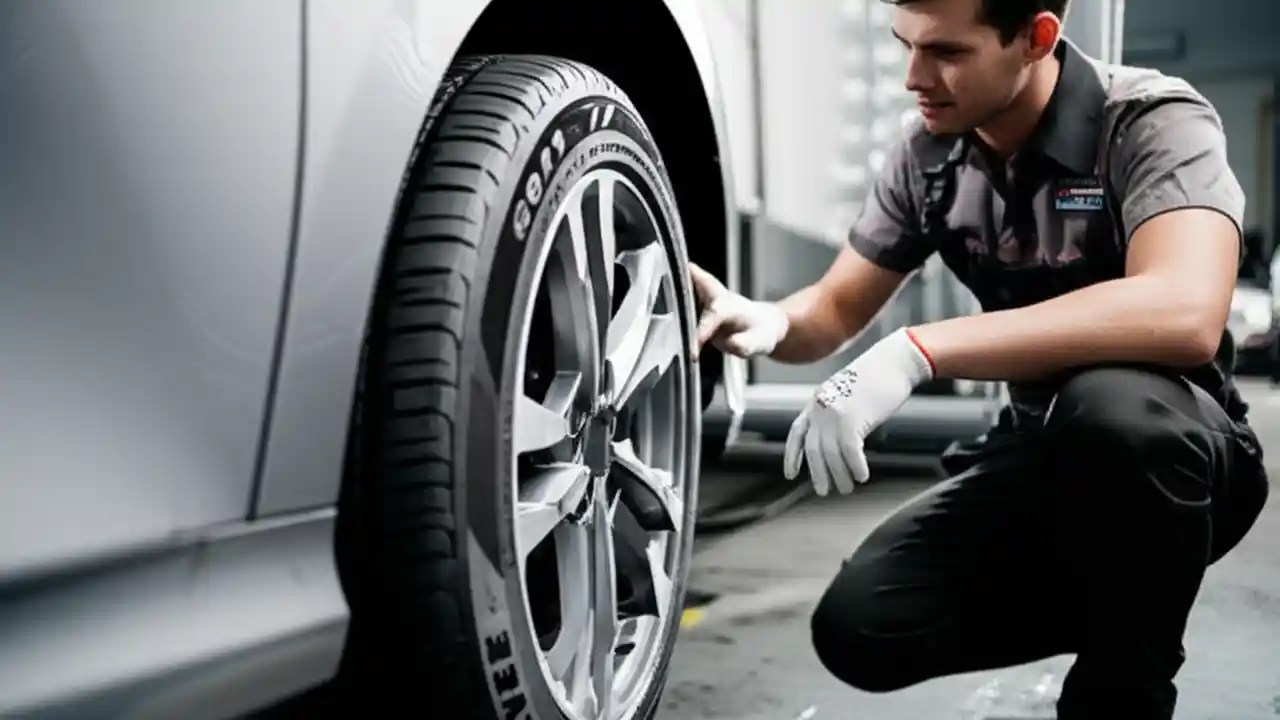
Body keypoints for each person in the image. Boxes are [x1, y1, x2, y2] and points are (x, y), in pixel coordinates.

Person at [689, 0, 1271, 717]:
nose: (913, 77)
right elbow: (836, 309)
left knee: (1114, 408)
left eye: (947, 53)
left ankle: (1121, 687)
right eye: (904, 45)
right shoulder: (929, 157)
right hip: (1038, 449)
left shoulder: (1150, 122)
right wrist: (767, 321)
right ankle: (1133, 588)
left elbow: (1183, 311)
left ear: (1037, 37)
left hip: (1177, 451)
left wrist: (918, 350)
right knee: (862, 627)